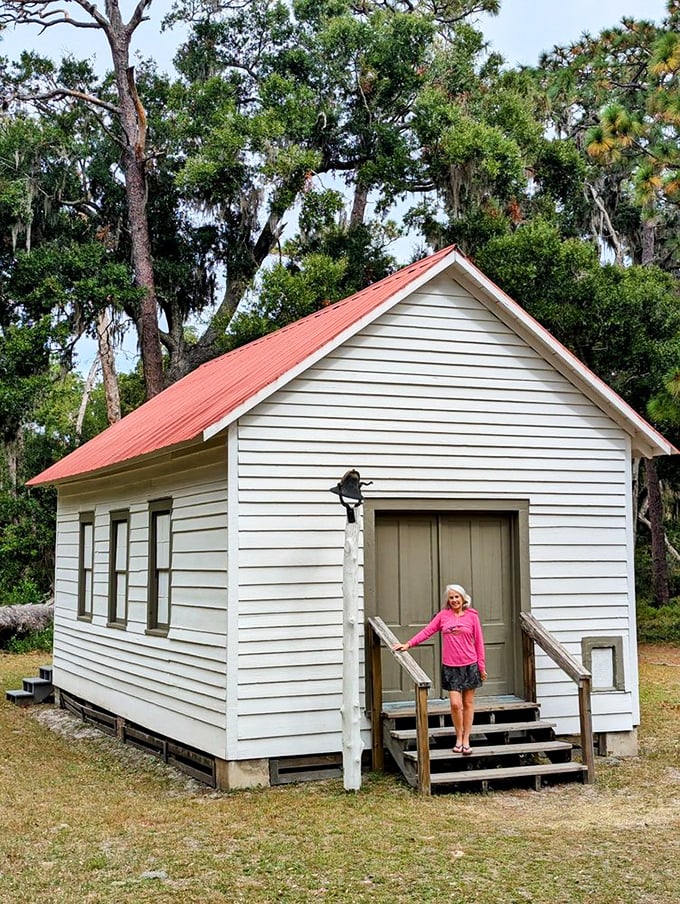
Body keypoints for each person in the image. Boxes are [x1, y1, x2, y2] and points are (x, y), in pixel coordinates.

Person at [392, 584, 487, 755]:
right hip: (451, 666)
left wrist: (481, 667)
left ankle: (466, 740)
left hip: (469, 665)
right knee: (455, 704)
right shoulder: (443, 616)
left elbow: (479, 643)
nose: (454, 600)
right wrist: (408, 644)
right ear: (448, 600)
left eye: (457, 597)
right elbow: (427, 631)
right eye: (451, 597)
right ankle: (458, 736)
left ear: (463, 598)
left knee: (468, 703)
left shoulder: (472, 617)